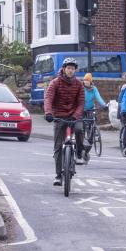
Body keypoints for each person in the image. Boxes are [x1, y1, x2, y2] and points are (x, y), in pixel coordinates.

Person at [44, 57, 84, 186]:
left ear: (75, 70)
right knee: (58, 148)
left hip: (73, 117)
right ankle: (58, 176)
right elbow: (48, 99)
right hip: (59, 116)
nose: (71, 71)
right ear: (64, 69)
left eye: (73, 68)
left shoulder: (79, 84)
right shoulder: (55, 83)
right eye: (68, 68)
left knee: (79, 130)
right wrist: (48, 113)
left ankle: (79, 153)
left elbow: (81, 103)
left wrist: (76, 115)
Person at [80, 73, 108, 163]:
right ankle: (82, 144)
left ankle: (89, 143)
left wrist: (104, 105)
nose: (86, 82)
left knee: (92, 124)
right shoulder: (81, 88)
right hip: (81, 109)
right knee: (82, 127)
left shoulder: (94, 89)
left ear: (90, 81)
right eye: (84, 80)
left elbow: (98, 98)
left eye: (87, 80)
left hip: (90, 109)